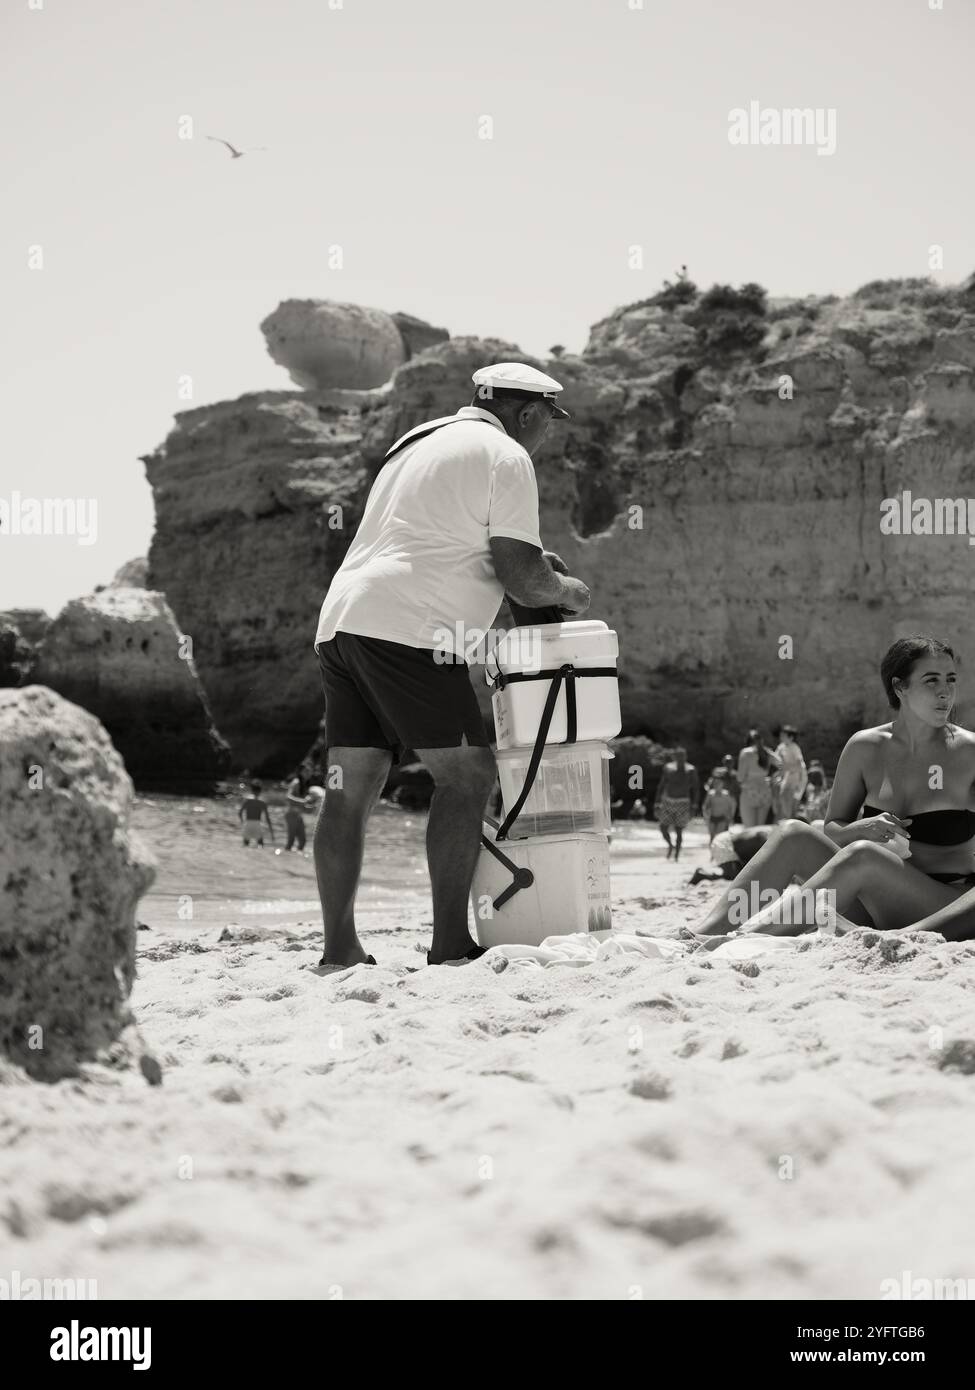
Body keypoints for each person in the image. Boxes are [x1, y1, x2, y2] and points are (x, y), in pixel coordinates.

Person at [312, 362, 591, 968]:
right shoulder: (507, 456)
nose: (547, 432)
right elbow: (521, 577)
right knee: (468, 777)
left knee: (348, 790)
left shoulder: (414, 441)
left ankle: (340, 948)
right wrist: (568, 591)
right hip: (411, 631)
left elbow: (437, 539)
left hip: (341, 621)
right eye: (548, 419)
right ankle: (449, 943)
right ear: (526, 414)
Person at [692, 635, 975, 942]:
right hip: (871, 900)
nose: (945, 691)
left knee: (865, 856)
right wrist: (860, 828)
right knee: (793, 834)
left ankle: (741, 941)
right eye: (931, 680)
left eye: (951, 680)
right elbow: (833, 828)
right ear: (899, 687)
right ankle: (706, 932)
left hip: (938, 906)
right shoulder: (865, 747)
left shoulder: (968, 753)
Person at [653, 746, 699, 861]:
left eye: (682, 755)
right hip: (668, 801)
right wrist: (657, 802)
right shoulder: (668, 768)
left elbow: (696, 789)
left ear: (686, 756)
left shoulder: (691, 770)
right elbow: (662, 785)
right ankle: (670, 845)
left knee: (679, 830)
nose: (680, 758)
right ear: (674, 756)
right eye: (678, 755)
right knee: (663, 827)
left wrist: (694, 805)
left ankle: (676, 856)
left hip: (683, 802)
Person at [737, 729, 780, 827]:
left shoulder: (745, 753)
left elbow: (740, 777)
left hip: (749, 791)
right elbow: (782, 764)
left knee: (749, 829)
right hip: (764, 791)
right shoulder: (767, 753)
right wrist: (775, 778)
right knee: (760, 829)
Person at [773, 724, 807, 821]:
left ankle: (790, 820)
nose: (781, 737)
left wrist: (787, 768)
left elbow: (799, 766)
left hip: (796, 777)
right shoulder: (781, 747)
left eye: (783, 735)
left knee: (790, 800)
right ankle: (786, 819)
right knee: (782, 797)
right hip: (787, 776)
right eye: (781, 735)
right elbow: (776, 760)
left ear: (791, 737)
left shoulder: (794, 748)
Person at [701, 771, 736, 842]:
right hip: (712, 818)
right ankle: (712, 852)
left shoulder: (726, 795)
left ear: (723, 784)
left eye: (719, 783)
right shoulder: (710, 794)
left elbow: (732, 805)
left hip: (722, 818)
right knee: (712, 837)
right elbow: (705, 806)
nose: (717, 785)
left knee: (719, 837)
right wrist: (706, 816)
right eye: (715, 783)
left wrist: (731, 816)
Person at [239, 780, 274, 847]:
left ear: (251, 790)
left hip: (248, 823)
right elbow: (267, 818)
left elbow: (240, 813)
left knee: (245, 845)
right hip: (257, 824)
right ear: (260, 791)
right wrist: (271, 833)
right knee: (260, 845)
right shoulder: (262, 803)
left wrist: (242, 822)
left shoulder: (247, 801)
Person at [284, 769, 310, 851]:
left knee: (303, 841)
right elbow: (288, 796)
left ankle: (297, 861)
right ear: (301, 772)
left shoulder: (303, 784)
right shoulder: (296, 782)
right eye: (307, 771)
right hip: (291, 815)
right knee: (291, 841)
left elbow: (301, 804)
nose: (309, 773)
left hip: (298, 815)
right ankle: (285, 861)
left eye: (310, 771)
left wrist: (310, 806)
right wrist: (302, 801)